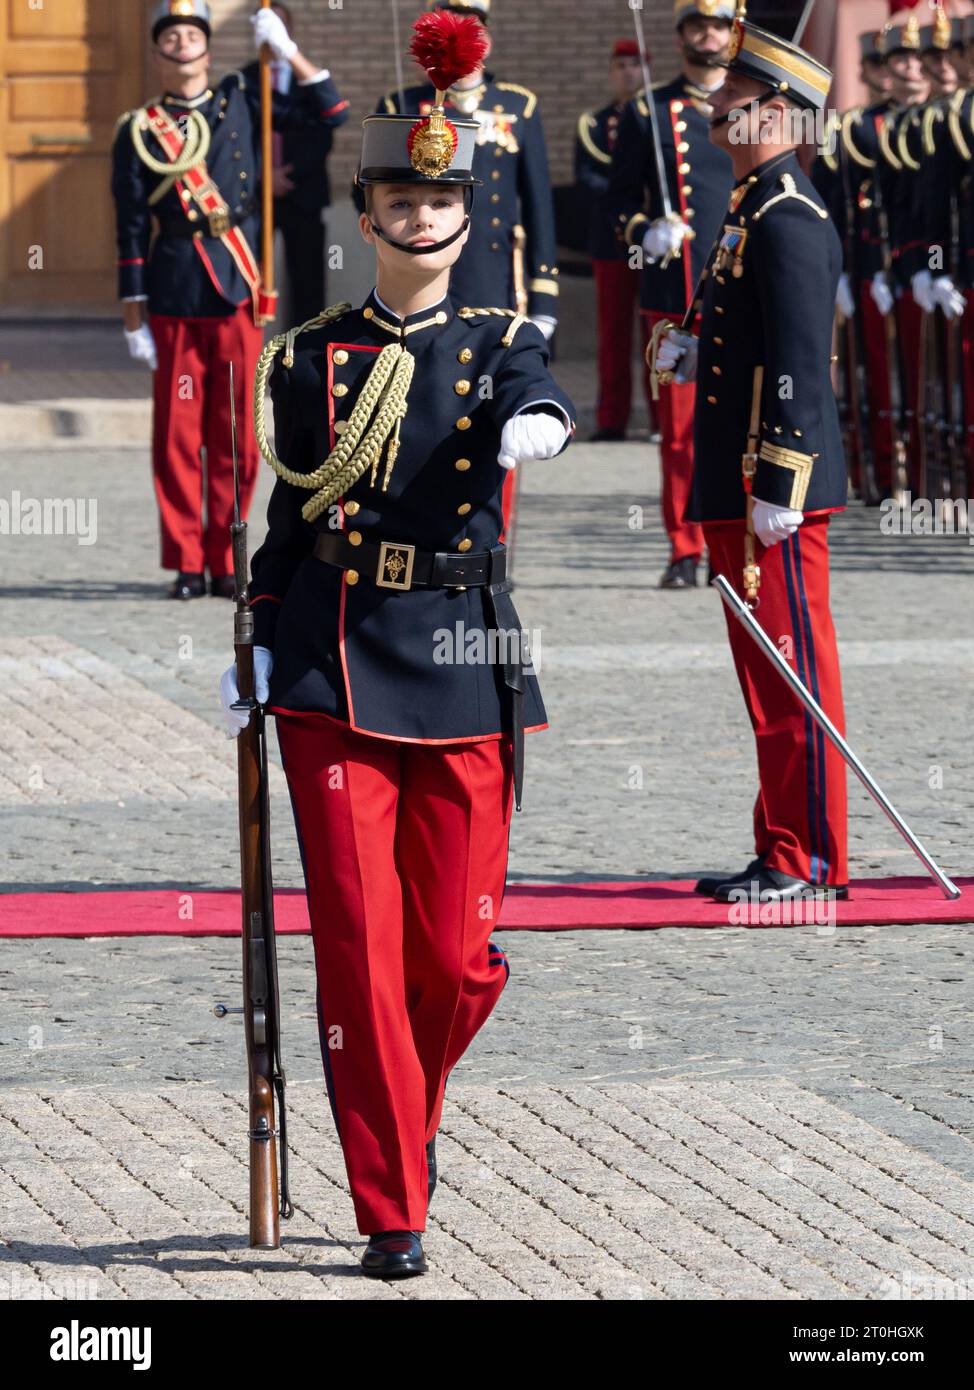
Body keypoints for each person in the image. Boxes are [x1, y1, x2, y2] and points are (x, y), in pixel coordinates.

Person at [220, 10, 575, 1277]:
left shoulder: (502, 345)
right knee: (361, 953)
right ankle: (393, 1201)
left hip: (467, 665)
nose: (418, 218)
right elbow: (290, 512)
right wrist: (260, 635)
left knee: (452, 957)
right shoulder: (311, 355)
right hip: (333, 661)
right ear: (364, 215)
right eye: (395, 199)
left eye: (439, 199)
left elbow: (540, 393)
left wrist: (542, 425)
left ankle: (404, 1130)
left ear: (467, 216)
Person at [652, 11, 849, 903]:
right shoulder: (751, 204)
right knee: (763, 674)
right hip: (741, 482)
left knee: (791, 672)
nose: (715, 104)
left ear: (776, 114)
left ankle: (810, 859)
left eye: (732, 95)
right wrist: (691, 347)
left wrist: (781, 483)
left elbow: (805, 365)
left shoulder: (790, 215)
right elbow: (746, 337)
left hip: (775, 488)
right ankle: (780, 843)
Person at [111, 0, 348, 600]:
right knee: (176, 433)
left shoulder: (244, 95)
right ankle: (186, 560)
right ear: (159, 52)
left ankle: (226, 559)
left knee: (237, 432)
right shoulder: (139, 128)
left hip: (238, 285)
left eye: (193, 33)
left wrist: (287, 51)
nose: (183, 43)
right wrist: (133, 310)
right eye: (172, 36)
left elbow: (331, 112)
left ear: (208, 49)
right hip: (172, 289)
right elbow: (132, 224)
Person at [370, 0, 560, 559]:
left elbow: (538, 206)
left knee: (493, 413)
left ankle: (489, 541)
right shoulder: (400, 106)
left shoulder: (517, 107)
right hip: (418, 280)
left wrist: (544, 295)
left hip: (491, 280)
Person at [608, 0, 734, 590]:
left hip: (741, 291)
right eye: (697, 25)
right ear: (682, 33)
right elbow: (614, 205)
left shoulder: (755, 105)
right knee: (680, 433)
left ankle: (731, 544)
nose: (706, 35)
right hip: (675, 295)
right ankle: (685, 547)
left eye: (718, 25)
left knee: (740, 428)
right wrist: (645, 231)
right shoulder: (647, 110)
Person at [575, 38, 658, 443]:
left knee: (657, 331)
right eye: (621, 66)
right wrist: (624, 198)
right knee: (613, 333)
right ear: (611, 73)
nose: (628, 72)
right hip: (612, 242)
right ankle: (612, 418)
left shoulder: (660, 117)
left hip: (656, 243)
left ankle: (661, 416)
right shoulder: (592, 124)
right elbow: (588, 179)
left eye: (636, 65)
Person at [242, 2, 338, 325]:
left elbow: (325, 131)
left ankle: (302, 360)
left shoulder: (308, 79)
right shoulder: (243, 81)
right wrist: (262, 175)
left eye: (279, 27)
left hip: (303, 192)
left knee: (307, 284)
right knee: (249, 277)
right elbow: (238, 140)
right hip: (254, 197)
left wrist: (287, 174)